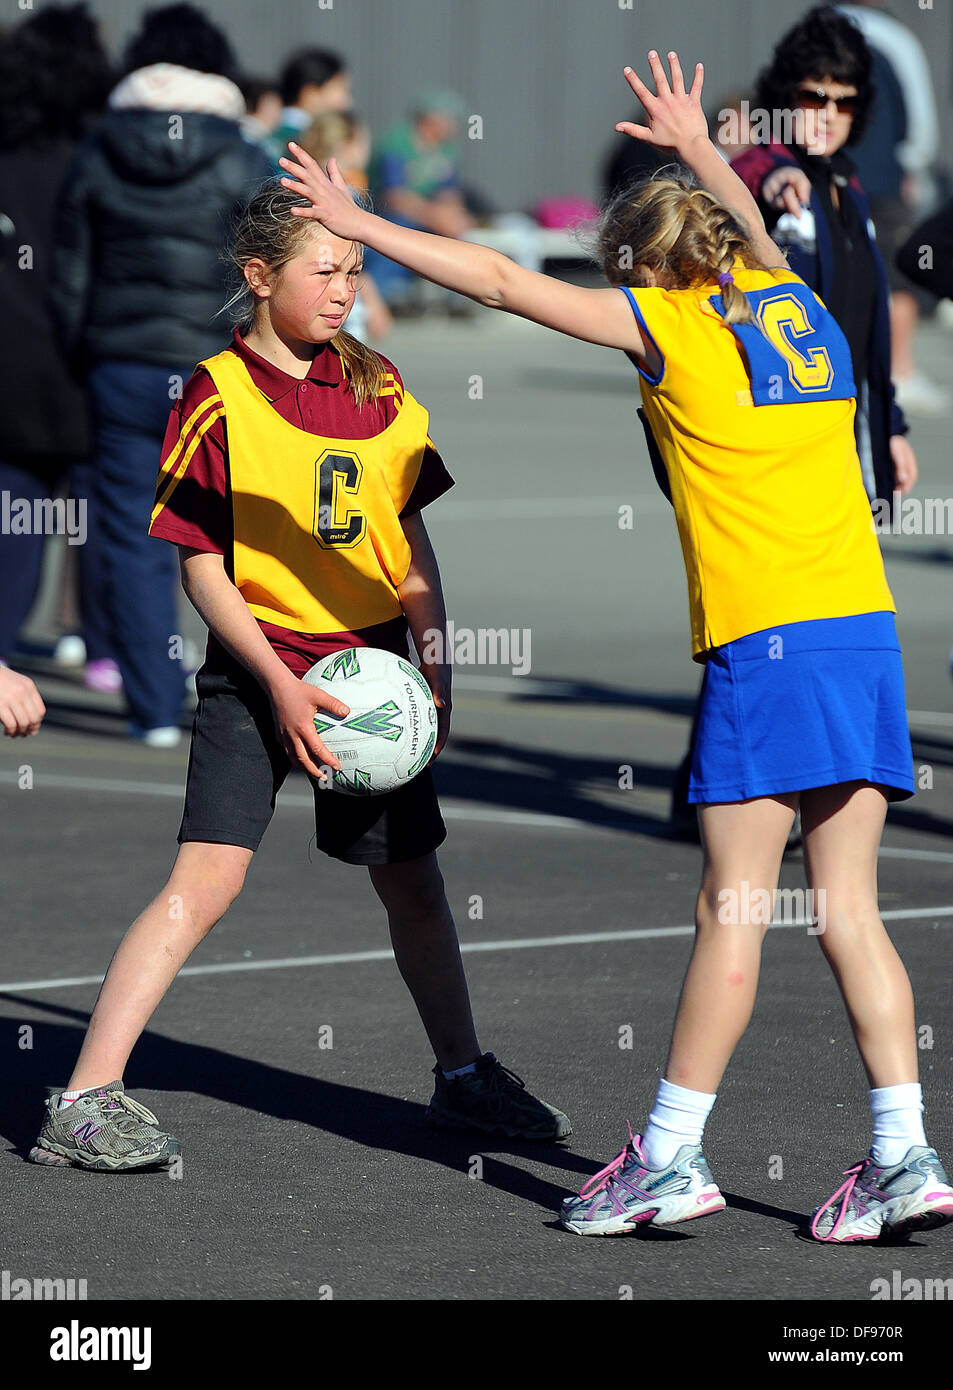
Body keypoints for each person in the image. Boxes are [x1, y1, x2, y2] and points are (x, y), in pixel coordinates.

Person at [277, 48, 953, 1243]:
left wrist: (353, 222)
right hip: (862, 634)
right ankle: (903, 1154)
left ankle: (667, 1156)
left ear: (644, 264)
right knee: (849, 908)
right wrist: (697, 148)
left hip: (769, 638)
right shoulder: (793, 300)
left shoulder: (670, 329)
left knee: (731, 906)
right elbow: (750, 226)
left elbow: (492, 277)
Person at [29, 180, 569, 1172]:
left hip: (370, 671)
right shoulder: (213, 393)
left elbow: (408, 545)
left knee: (412, 880)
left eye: (355, 270)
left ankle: (461, 1078)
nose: (344, 289)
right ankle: (84, 1096)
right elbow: (197, 559)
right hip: (257, 664)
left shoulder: (380, 388)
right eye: (324, 270)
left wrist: (435, 661)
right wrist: (275, 681)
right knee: (208, 878)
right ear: (257, 276)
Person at [49, 3, 274, 747]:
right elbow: (271, 259)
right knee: (241, 534)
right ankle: (249, 696)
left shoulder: (97, 149)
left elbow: (70, 271)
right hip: (216, 370)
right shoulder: (243, 154)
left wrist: (83, 348)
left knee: (130, 535)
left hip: (121, 365)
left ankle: (150, 708)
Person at [730, 4, 916, 511]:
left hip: (841, 433)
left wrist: (890, 429)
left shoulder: (849, 186)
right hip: (779, 433)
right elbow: (739, 181)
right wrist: (770, 184)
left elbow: (867, 324)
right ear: (786, 96)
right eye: (814, 97)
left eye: (844, 102)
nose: (828, 114)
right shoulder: (764, 166)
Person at [0, 4, 113, 679]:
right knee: (103, 514)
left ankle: (3, 647)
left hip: (11, 360)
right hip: (90, 357)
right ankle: (108, 652)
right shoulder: (101, 153)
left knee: (14, 515)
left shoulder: (6, 152)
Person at [368, 91, 473, 310]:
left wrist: (455, 214)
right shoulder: (397, 143)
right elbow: (394, 197)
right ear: (430, 119)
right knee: (395, 236)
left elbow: (448, 191)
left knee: (457, 236)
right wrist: (436, 215)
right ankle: (372, 301)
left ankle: (458, 293)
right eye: (449, 120)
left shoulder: (445, 149)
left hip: (424, 216)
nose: (453, 127)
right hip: (386, 215)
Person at [264, 48, 351, 169]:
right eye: (341, 90)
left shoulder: (268, 135)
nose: (346, 102)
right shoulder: (310, 141)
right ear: (310, 93)